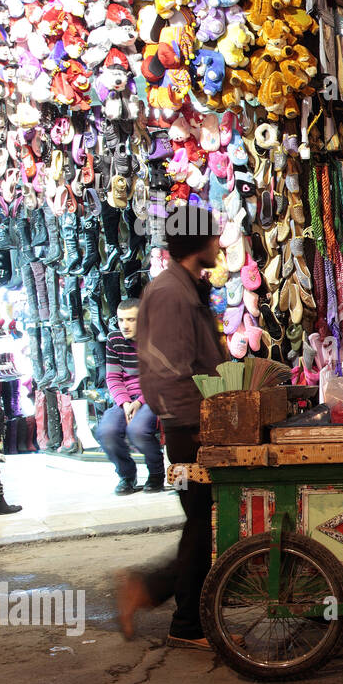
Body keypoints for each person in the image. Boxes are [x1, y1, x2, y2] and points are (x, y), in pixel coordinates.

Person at [115, 207, 225, 648]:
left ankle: (153, 591)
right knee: (202, 521)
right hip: (188, 428)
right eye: (214, 238)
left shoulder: (186, 289)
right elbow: (166, 372)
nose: (219, 245)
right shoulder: (169, 294)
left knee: (205, 519)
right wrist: (195, 425)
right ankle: (183, 623)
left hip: (198, 423)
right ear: (199, 243)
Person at [95, 299, 165, 495]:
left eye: (131, 320)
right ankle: (126, 475)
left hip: (153, 396)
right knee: (106, 431)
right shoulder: (115, 339)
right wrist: (125, 403)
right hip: (125, 398)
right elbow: (113, 376)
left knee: (138, 430)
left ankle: (156, 474)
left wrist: (139, 402)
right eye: (121, 320)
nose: (124, 325)